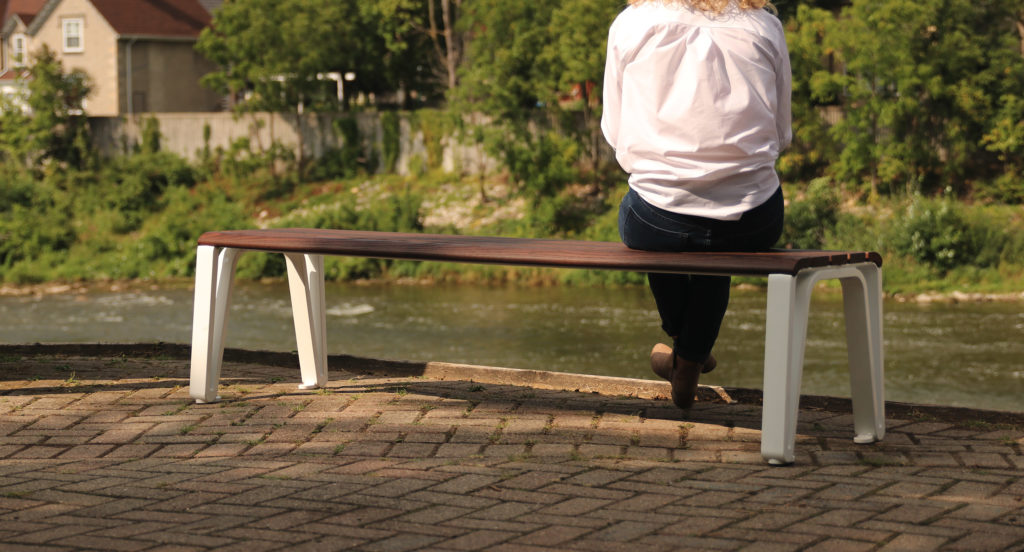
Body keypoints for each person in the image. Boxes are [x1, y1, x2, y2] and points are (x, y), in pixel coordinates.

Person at [601, 0, 792, 409]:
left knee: (651, 220)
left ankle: (685, 356)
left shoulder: (632, 23)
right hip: (753, 216)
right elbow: (781, 134)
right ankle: (690, 356)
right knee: (718, 240)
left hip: (657, 218)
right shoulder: (764, 25)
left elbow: (615, 132)